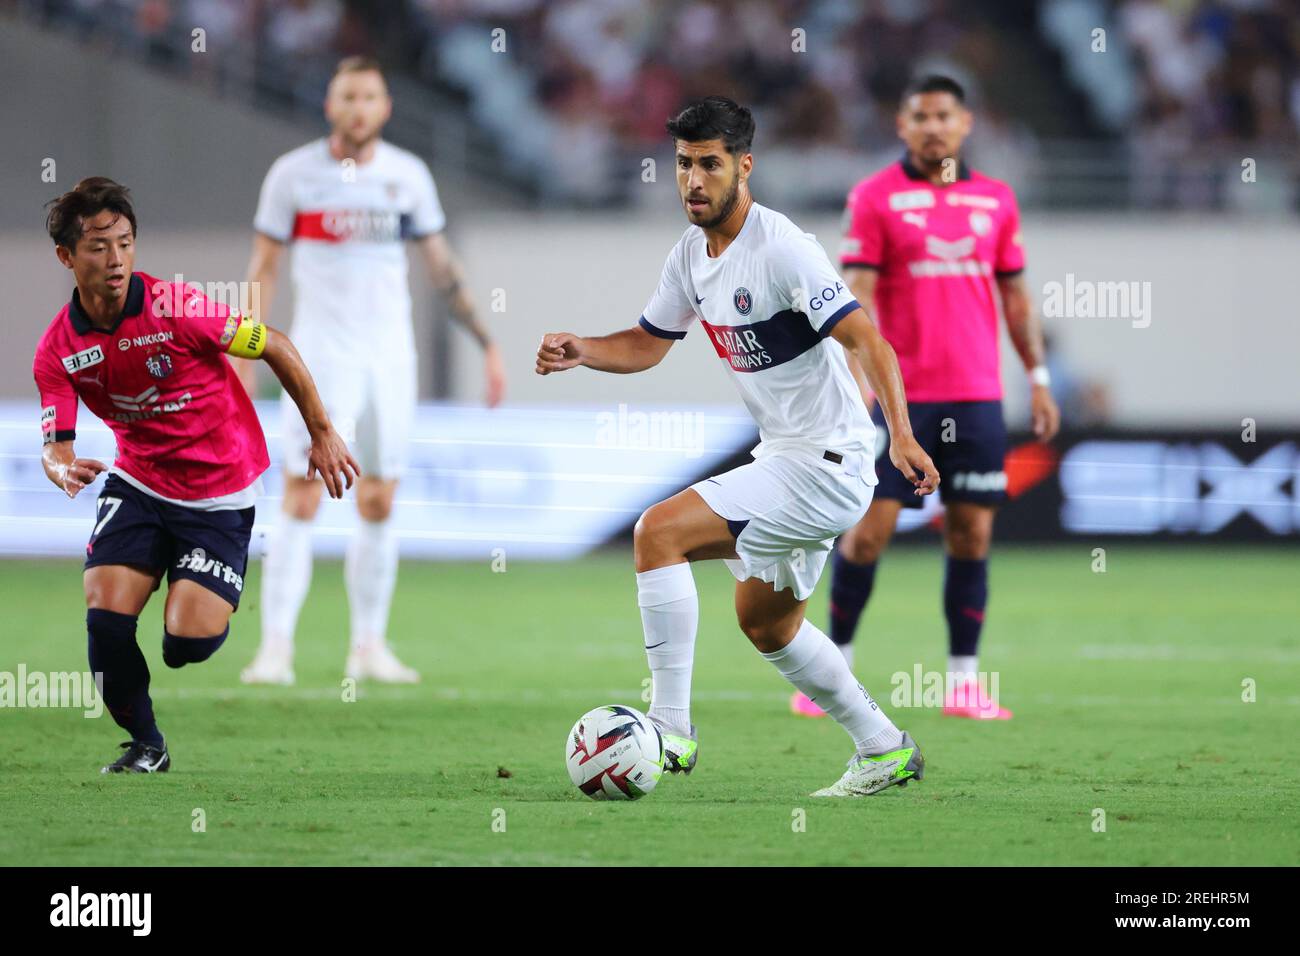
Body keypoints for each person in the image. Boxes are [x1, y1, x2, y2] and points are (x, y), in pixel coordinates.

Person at [536, 97, 940, 797]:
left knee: (656, 534)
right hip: (788, 456)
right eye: (683, 165)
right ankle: (883, 747)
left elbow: (866, 338)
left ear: (744, 167)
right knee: (767, 624)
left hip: (827, 462)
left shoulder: (782, 249)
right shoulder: (690, 255)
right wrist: (584, 350)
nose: (693, 180)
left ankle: (670, 729)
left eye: (710, 165)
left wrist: (900, 433)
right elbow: (647, 344)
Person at [33, 177, 358, 773]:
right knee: (104, 615)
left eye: (126, 243)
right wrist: (59, 465)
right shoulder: (57, 349)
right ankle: (146, 745)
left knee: (185, 643)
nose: (116, 259)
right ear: (66, 256)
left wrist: (321, 431)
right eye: (99, 246)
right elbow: (57, 441)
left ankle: (201, 598)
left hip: (221, 489)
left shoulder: (177, 307)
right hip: (141, 482)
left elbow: (276, 345)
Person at [797, 75, 1060, 722]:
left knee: (970, 535)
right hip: (900, 400)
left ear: (966, 124)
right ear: (901, 125)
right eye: (921, 117)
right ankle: (833, 673)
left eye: (945, 115)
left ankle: (964, 684)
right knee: (866, 537)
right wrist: (854, 382)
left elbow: (1017, 299)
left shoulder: (996, 200)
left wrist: (1040, 377)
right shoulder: (874, 199)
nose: (934, 127)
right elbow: (851, 295)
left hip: (976, 396)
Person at [238, 56, 506, 686]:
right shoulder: (293, 175)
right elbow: (263, 268)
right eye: (347, 96)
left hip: (390, 358)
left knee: (380, 497)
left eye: (369, 97)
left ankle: (368, 647)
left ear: (385, 107)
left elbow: (442, 269)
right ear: (330, 105)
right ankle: (275, 649)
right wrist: (246, 351)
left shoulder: (408, 176)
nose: (358, 107)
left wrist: (486, 340)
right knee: (302, 491)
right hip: (319, 355)